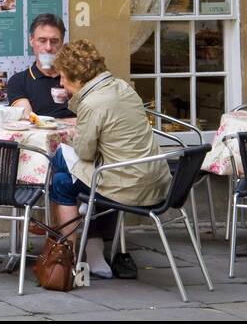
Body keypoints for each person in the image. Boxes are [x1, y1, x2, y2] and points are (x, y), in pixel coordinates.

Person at [48, 39, 169, 279]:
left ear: (76, 77)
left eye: (62, 76)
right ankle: (89, 241)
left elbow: (85, 153)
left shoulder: (92, 103)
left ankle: (66, 253)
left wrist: (73, 137)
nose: (61, 82)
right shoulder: (122, 87)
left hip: (124, 185)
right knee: (66, 178)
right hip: (156, 181)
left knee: (60, 171)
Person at [7, 14, 74, 120]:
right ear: (31, 41)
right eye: (42, 40)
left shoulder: (77, 77)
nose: (48, 47)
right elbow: (28, 119)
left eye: (54, 41)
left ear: (62, 43)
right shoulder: (18, 81)